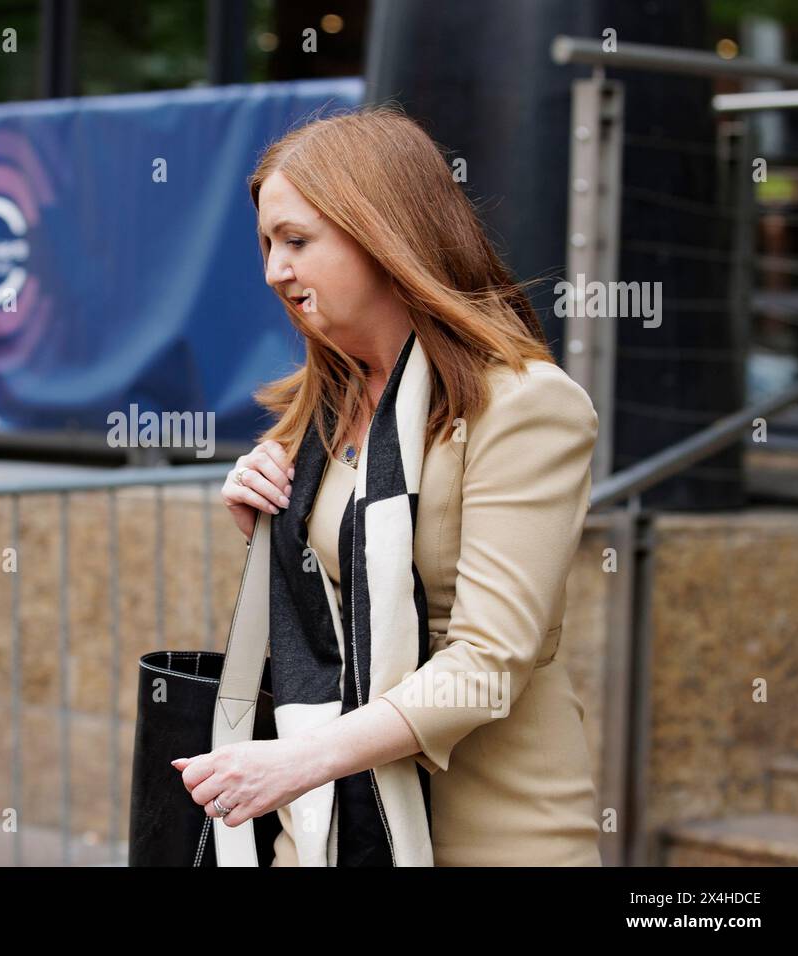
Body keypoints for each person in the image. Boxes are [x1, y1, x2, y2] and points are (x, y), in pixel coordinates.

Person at [171, 105, 602, 866]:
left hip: (490, 827)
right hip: (322, 825)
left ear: (383, 235)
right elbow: (335, 626)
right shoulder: (320, 407)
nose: (275, 269)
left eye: (297, 241)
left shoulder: (528, 406)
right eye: (268, 244)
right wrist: (272, 530)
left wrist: (296, 761)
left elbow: (487, 665)